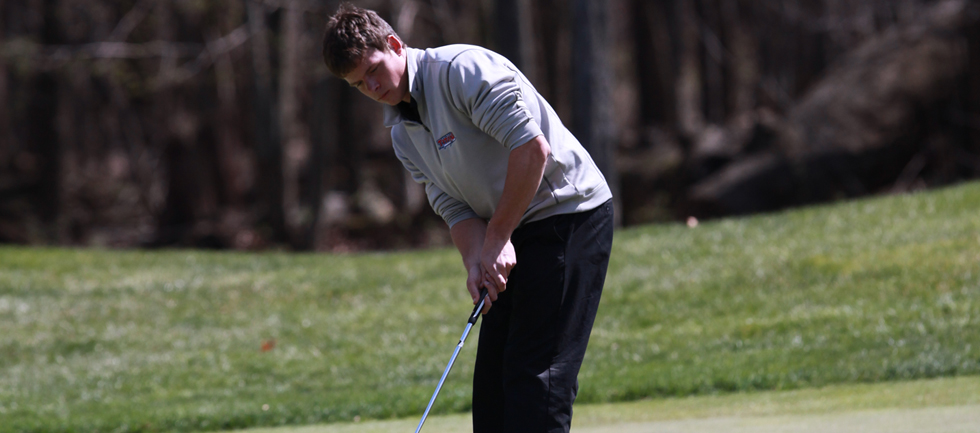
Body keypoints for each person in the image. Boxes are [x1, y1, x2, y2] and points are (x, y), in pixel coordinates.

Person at [322, 4, 614, 432]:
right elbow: (452, 204)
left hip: (566, 215)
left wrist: (497, 237)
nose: (372, 87)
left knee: (536, 379)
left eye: (373, 70)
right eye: (359, 84)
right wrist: (476, 260)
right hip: (508, 229)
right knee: (493, 391)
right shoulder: (403, 134)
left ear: (395, 44)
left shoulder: (461, 70)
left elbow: (531, 149)